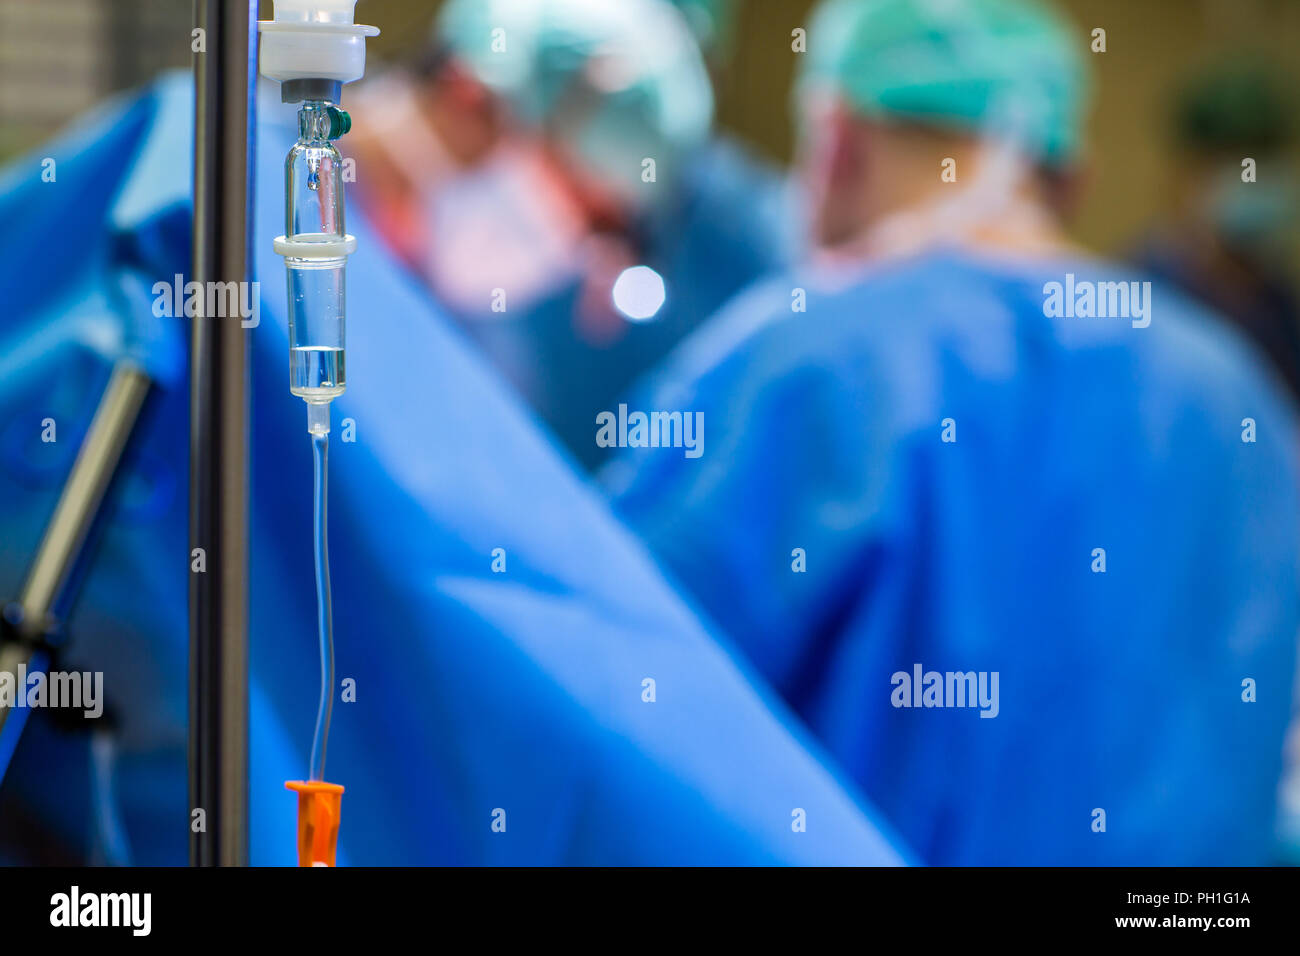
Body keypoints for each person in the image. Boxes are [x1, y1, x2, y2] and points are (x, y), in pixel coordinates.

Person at [0, 72, 905, 866]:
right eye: (582, 211)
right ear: (475, 101)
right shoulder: (216, 216)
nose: (576, 256)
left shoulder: (431, 334)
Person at [603, 0, 1300, 864]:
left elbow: (608, 699)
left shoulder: (809, 365)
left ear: (836, 144)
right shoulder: (1235, 399)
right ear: (1071, 178)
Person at [345, 0, 793, 470]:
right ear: (469, 93)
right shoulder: (273, 198)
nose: (571, 247)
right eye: (579, 206)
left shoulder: (480, 350)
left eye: (596, 230)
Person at [1133, 62, 1300, 400]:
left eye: (1265, 158)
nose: (1254, 176)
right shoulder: (1142, 299)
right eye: (1237, 161)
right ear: (1185, 173)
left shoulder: (1277, 304)